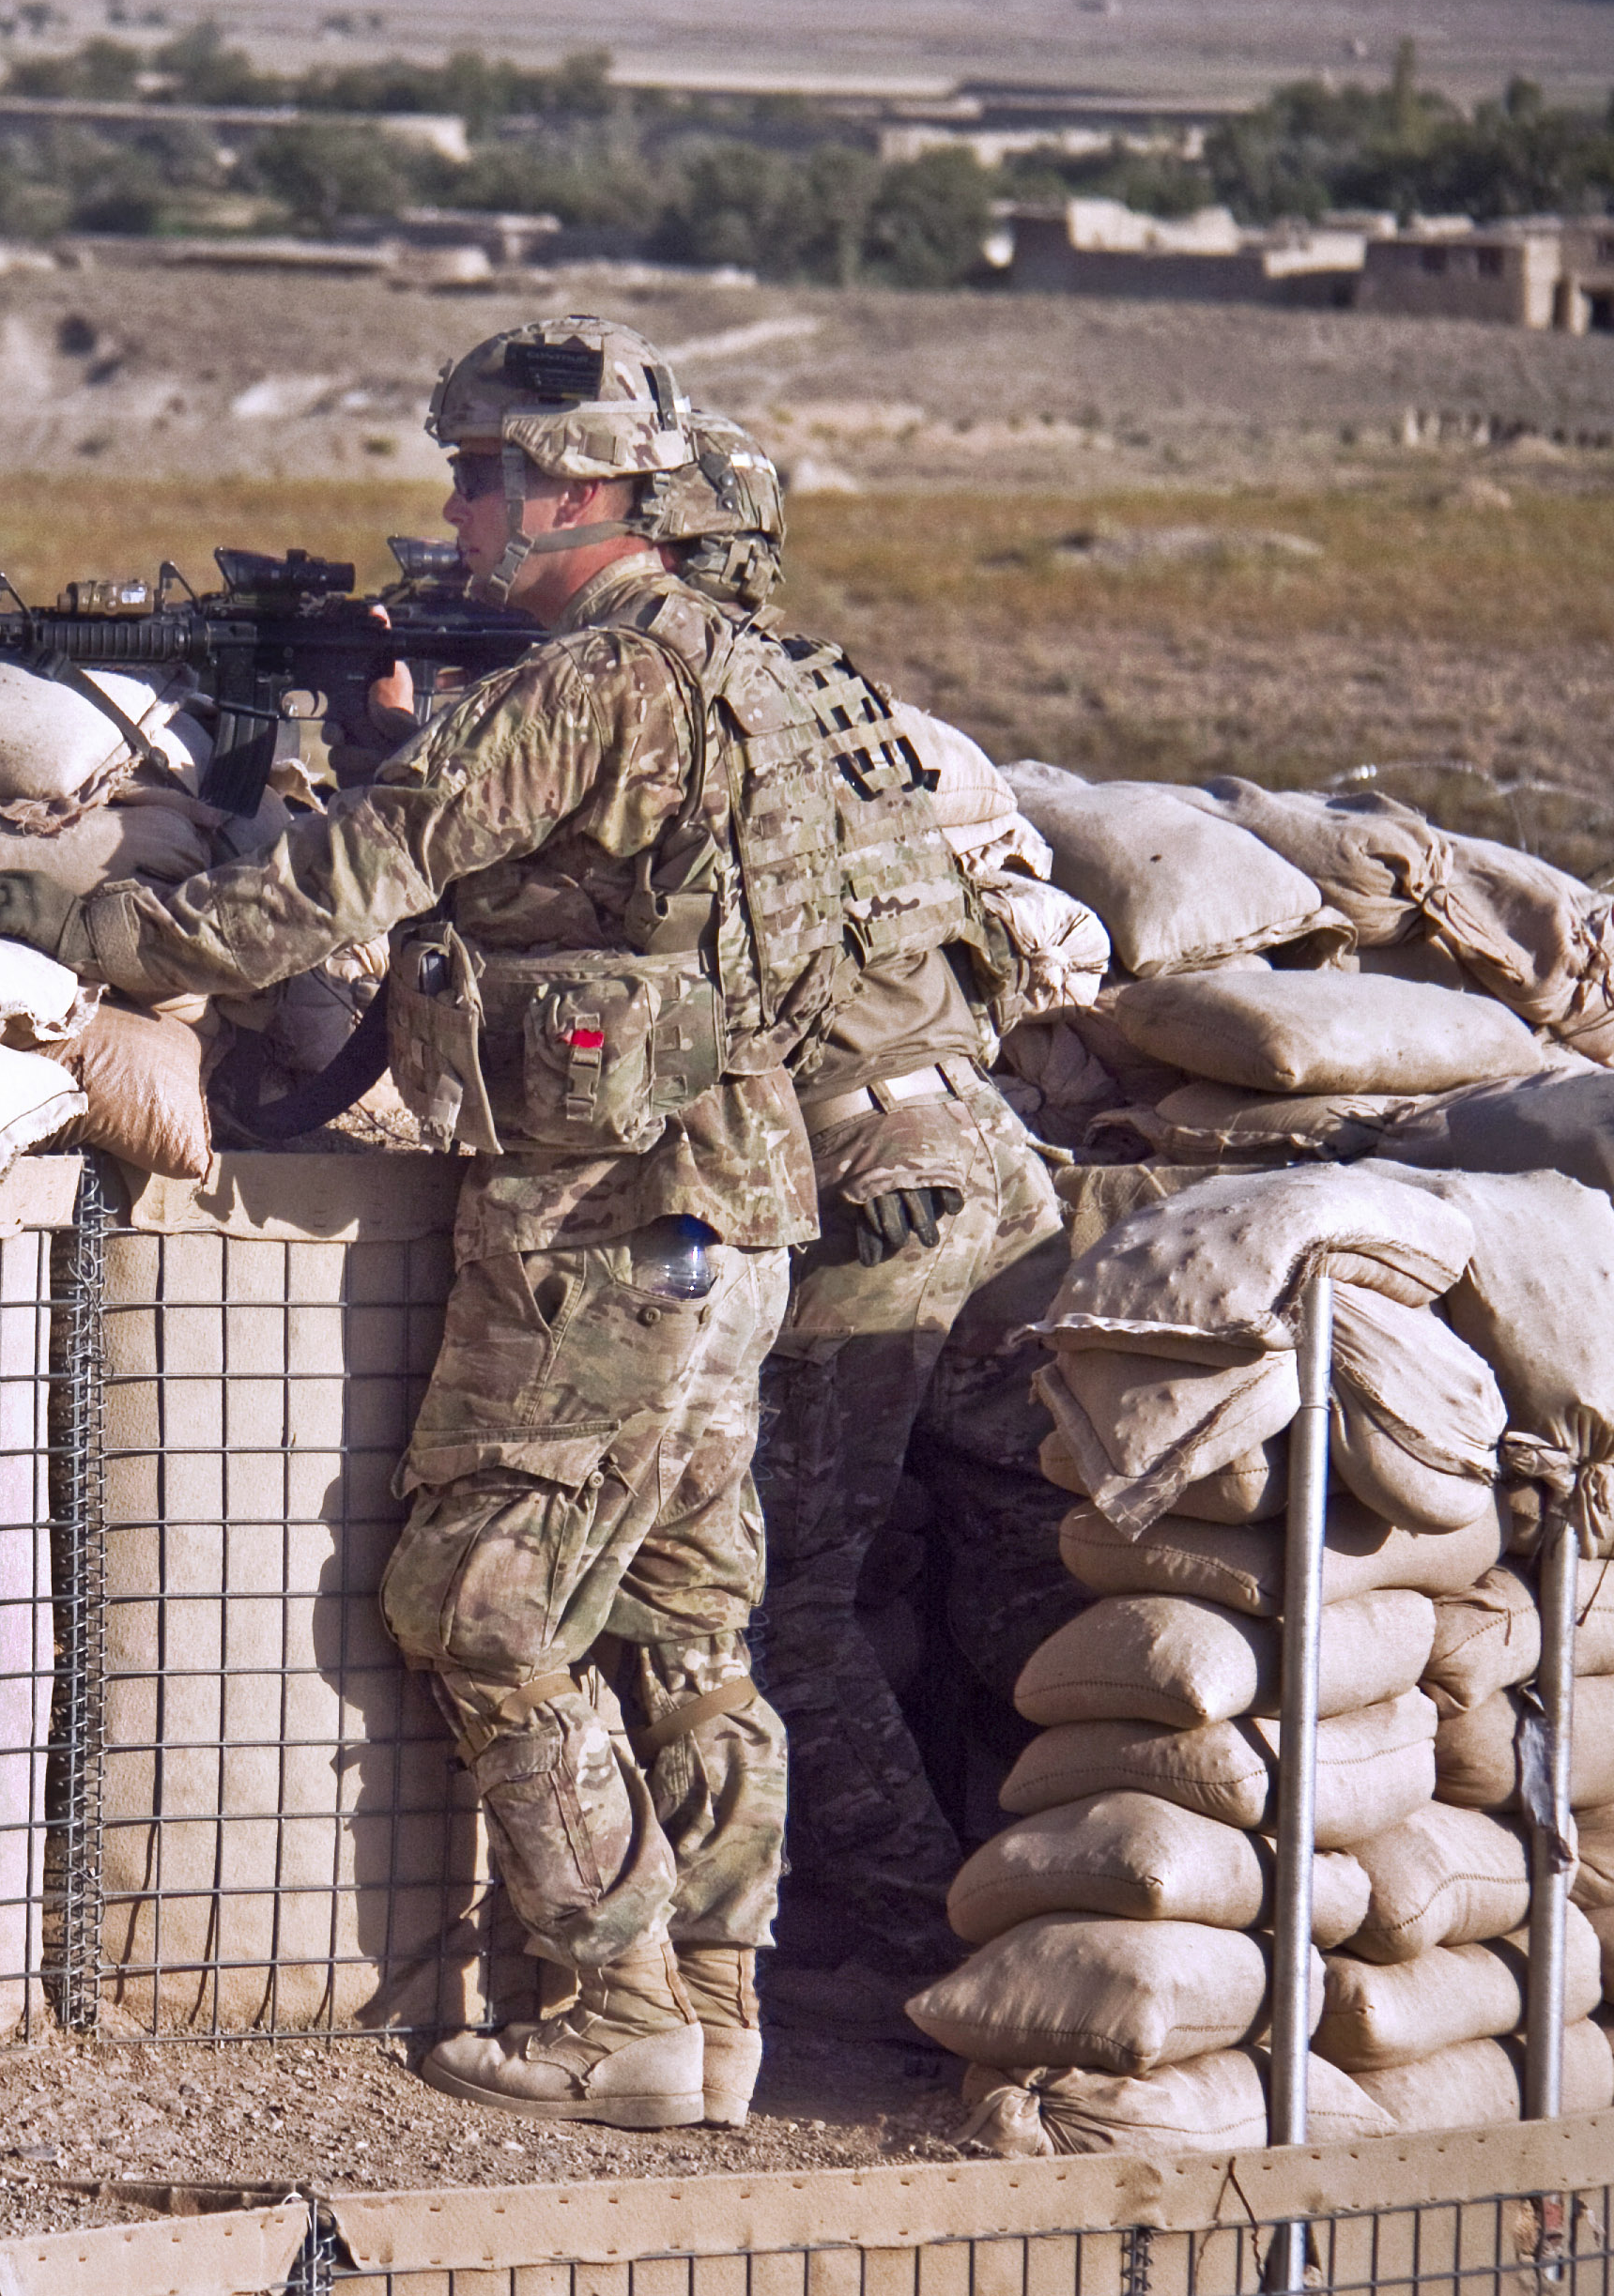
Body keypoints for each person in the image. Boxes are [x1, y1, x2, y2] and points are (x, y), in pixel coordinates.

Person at [0, 317, 981, 2127]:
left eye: (478, 476)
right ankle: (718, 2008)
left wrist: (93, 938)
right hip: (730, 1206)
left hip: (599, 1218)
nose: (452, 511)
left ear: (570, 489)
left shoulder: (587, 688)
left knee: (481, 1599)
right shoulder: (747, 677)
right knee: (682, 1618)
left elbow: (336, 884)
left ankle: (612, 2007)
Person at [638, 436, 1069, 2032]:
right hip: (983, 1152)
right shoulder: (823, 689)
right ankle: (1060, 1914)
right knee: (1004, 1559)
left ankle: (922, 1944)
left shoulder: (671, 708)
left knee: (784, 1599)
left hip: (878, 1183)